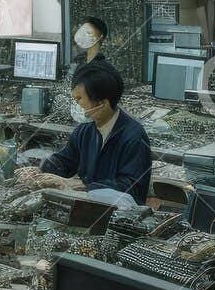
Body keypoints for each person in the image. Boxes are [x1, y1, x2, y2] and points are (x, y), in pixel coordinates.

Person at [14, 61, 153, 204]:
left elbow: (132, 188)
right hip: (87, 205)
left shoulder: (134, 136)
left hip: (120, 211)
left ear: (102, 103)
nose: (77, 104)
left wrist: (84, 186)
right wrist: (40, 170)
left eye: (79, 99)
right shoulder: (85, 131)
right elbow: (65, 161)